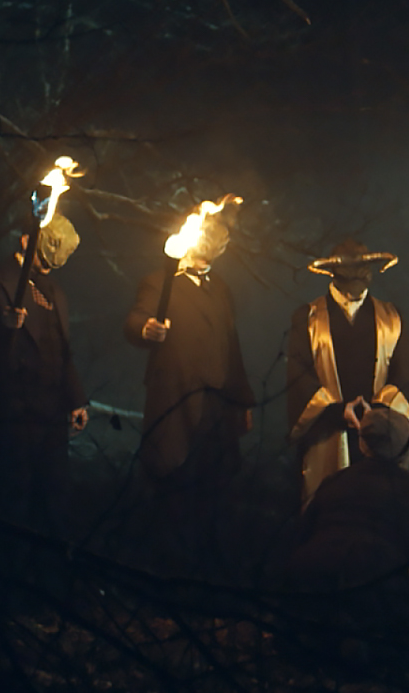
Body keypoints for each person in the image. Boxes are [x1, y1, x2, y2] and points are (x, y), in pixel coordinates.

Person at [122, 203, 254, 575]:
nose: (214, 247)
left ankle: (208, 574)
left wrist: (242, 401)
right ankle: (167, 574)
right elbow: (136, 319)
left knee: (214, 486)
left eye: (220, 243)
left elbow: (231, 346)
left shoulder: (221, 289)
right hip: (176, 401)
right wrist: (146, 328)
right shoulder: (159, 281)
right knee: (173, 484)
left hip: (216, 406)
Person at [0, 213, 88, 540]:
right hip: (12, 411)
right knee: (10, 503)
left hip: (52, 414)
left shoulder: (55, 292)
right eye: (44, 260)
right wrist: (2, 326)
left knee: (53, 503)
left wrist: (76, 400)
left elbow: (62, 350)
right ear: (25, 241)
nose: (47, 268)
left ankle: (51, 566)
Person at [285, 403, 409, 638]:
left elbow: (301, 537)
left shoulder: (335, 482)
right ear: (406, 446)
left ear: (363, 444)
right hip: (378, 588)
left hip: (315, 586)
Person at [287, 239, 409, 506]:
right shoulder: (308, 317)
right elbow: (299, 376)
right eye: (350, 271)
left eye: (364, 269)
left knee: (378, 505)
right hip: (328, 432)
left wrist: (377, 413)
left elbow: (404, 374)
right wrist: (338, 412)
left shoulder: (392, 317)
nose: (359, 277)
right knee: (331, 505)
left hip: (381, 436)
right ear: (333, 273)